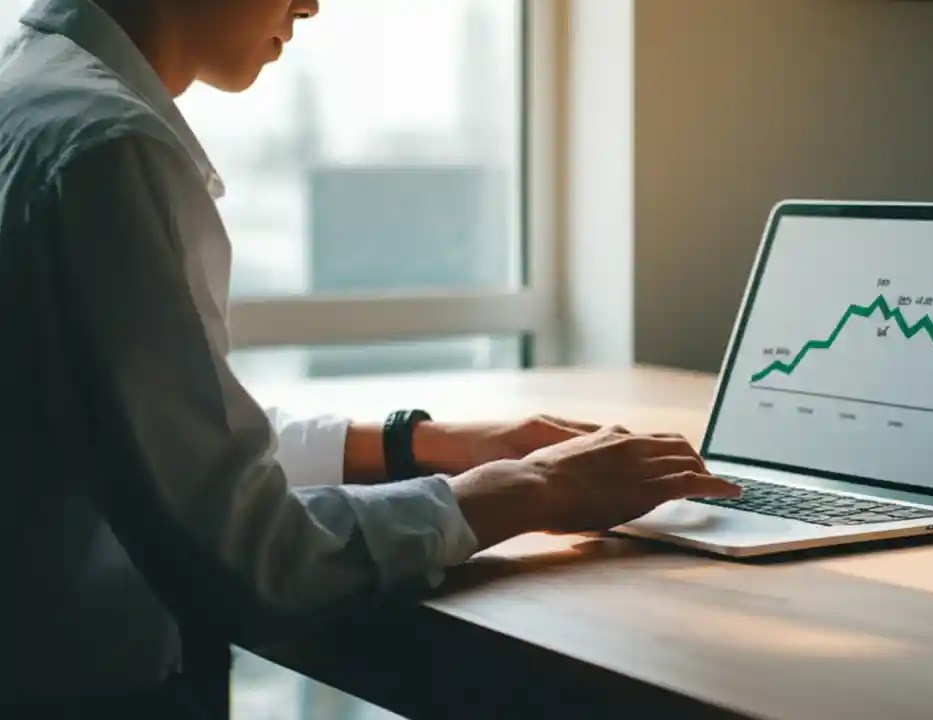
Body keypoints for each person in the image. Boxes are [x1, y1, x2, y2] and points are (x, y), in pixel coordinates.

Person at [0, 0, 740, 714]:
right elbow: (254, 561)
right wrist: (530, 491)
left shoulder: (33, 97)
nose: (312, 5)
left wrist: (411, 444)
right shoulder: (105, 150)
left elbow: (157, 443)